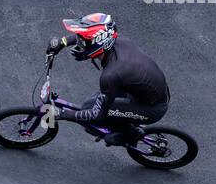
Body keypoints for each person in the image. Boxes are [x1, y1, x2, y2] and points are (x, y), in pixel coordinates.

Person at [46, 13, 169, 146]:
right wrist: (63, 42)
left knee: (92, 116)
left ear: (96, 44)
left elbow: (96, 114)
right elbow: (90, 37)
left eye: (83, 42)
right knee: (89, 104)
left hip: (152, 109)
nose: (80, 44)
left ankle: (130, 135)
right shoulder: (117, 40)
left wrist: (62, 114)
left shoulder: (110, 76)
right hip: (146, 91)